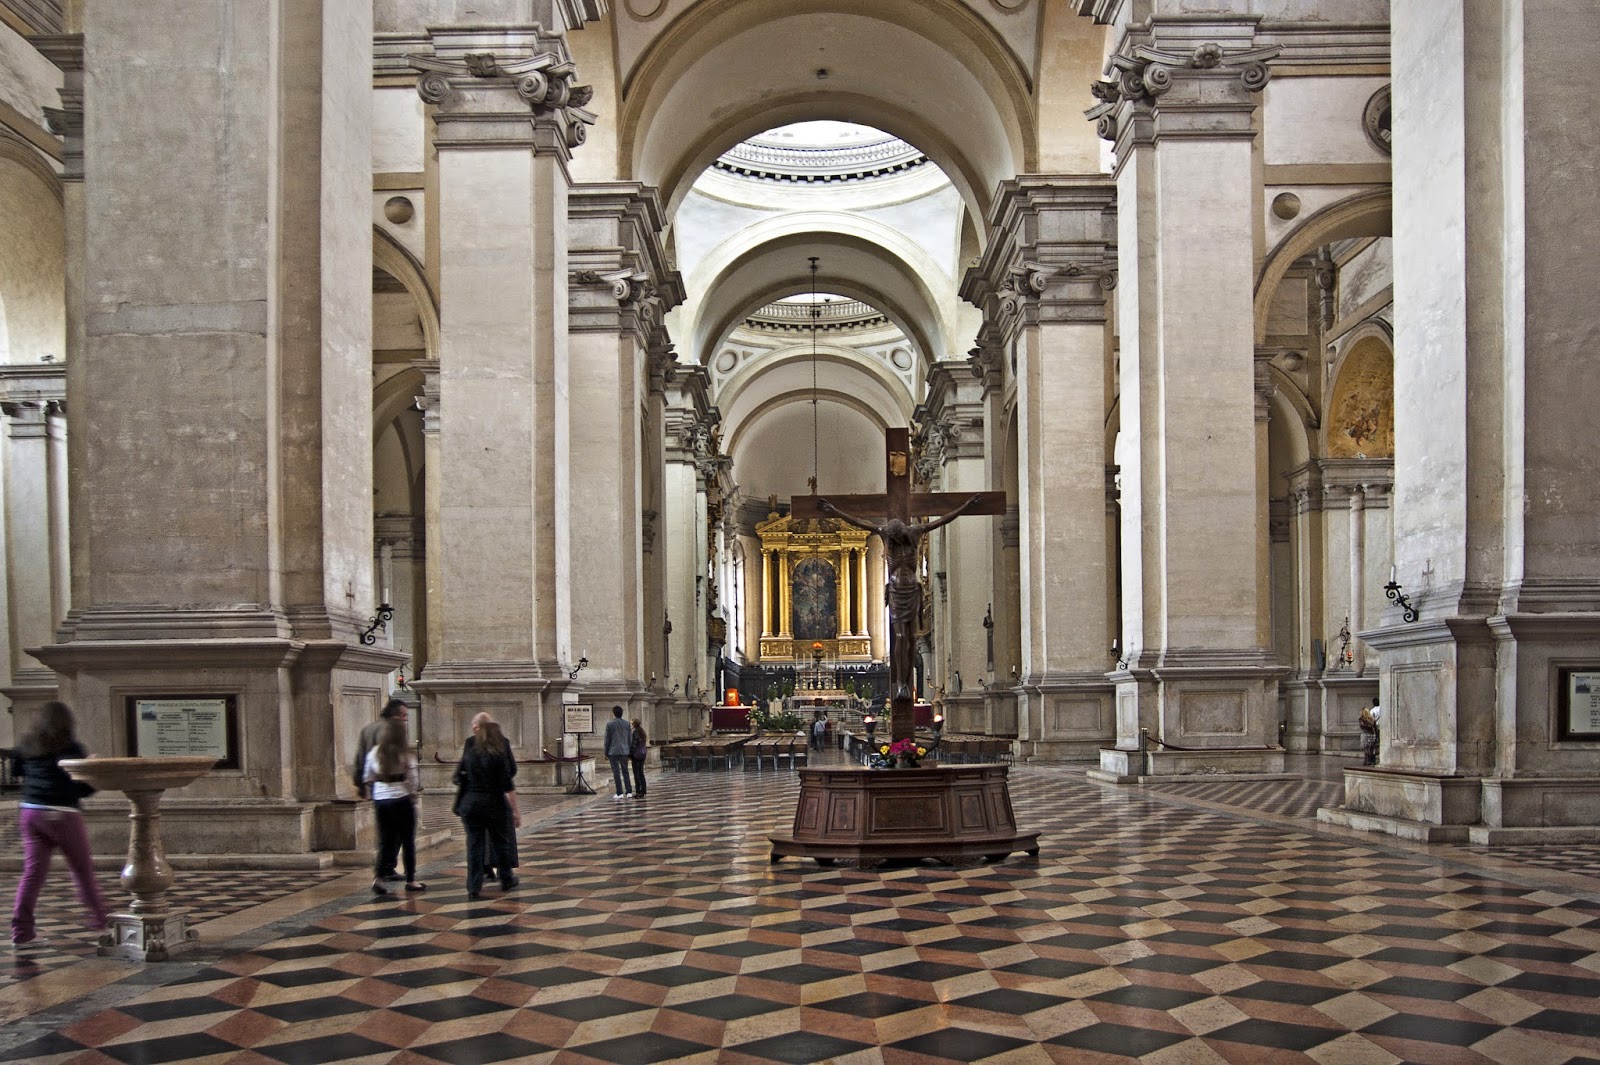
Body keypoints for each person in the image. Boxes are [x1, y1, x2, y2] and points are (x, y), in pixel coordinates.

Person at [817, 495, 984, 701]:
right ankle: (901, 683)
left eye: (896, 539)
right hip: (896, 591)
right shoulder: (885, 533)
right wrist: (833, 511)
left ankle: (906, 680)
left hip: (912, 590)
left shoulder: (915, 533)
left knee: (912, 638)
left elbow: (942, 520)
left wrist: (964, 506)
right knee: (901, 637)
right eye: (891, 540)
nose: (894, 542)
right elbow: (858, 522)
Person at [10, 701, 109, 950]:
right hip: (63, 814)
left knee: (32, 875)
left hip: (31, 812)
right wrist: (93, 770)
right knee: (81, 870)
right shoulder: (72, 747)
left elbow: (17, 769)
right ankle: (102, 923)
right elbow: (82, 789)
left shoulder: (27, 745)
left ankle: (21, 931)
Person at [454, 713, 520, 898]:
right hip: (494, 802)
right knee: (501, 841)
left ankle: (474, 885)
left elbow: (459, 774)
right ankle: (506, 878)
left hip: (471, 802)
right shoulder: (499, 749)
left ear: (478, 728)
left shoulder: (470, 745)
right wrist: (516, 811)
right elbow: (509, 779)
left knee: (474, 845)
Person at [363, 716, 425, 895]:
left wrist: (374, 791)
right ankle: (411, 879)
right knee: (407, 840)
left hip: (382, 800)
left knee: (385, 840)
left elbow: (368, 776)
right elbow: (412, 778)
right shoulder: (405, 753)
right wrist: (413, 794)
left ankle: (379, 878)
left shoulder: (375, 752)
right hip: (401, 798)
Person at [353, 697, 407, 800]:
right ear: (395, 715)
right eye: (403, 715)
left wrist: (359, 781)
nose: (405, 719)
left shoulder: (368, 728)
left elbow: (360, 757)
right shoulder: (391, 730)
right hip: (389, 784)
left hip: (372, 780)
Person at [604, 705, 633, 800]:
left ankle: (619, 792)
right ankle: (629, 791)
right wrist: (630, 751)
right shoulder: (627, 724)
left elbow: (607, 740)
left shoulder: (610, 724)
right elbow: (629, 739)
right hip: (625, 751)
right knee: (625, 771)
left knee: (616, 772)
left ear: (614, 713)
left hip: (613, 751)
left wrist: (606, 752)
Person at [630, 718, 649, 798]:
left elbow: (634, 744)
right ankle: (643, 790)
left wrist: (630, 754)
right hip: (643, 754)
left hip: (636, 755)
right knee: (641, 772)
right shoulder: (642, 732)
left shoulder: (635, 732)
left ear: (634, 724)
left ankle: (638, 791)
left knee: (636, 773)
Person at [1359, 702, 1381, 767]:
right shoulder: (1372, 719)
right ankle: (1371, 760)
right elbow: (1375, 728)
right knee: (1371, 748)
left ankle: (1367, 760)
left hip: (1365, 734)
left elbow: (1362, 726)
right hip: (1372, 735)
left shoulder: (1361, 719)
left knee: (1366, 749)